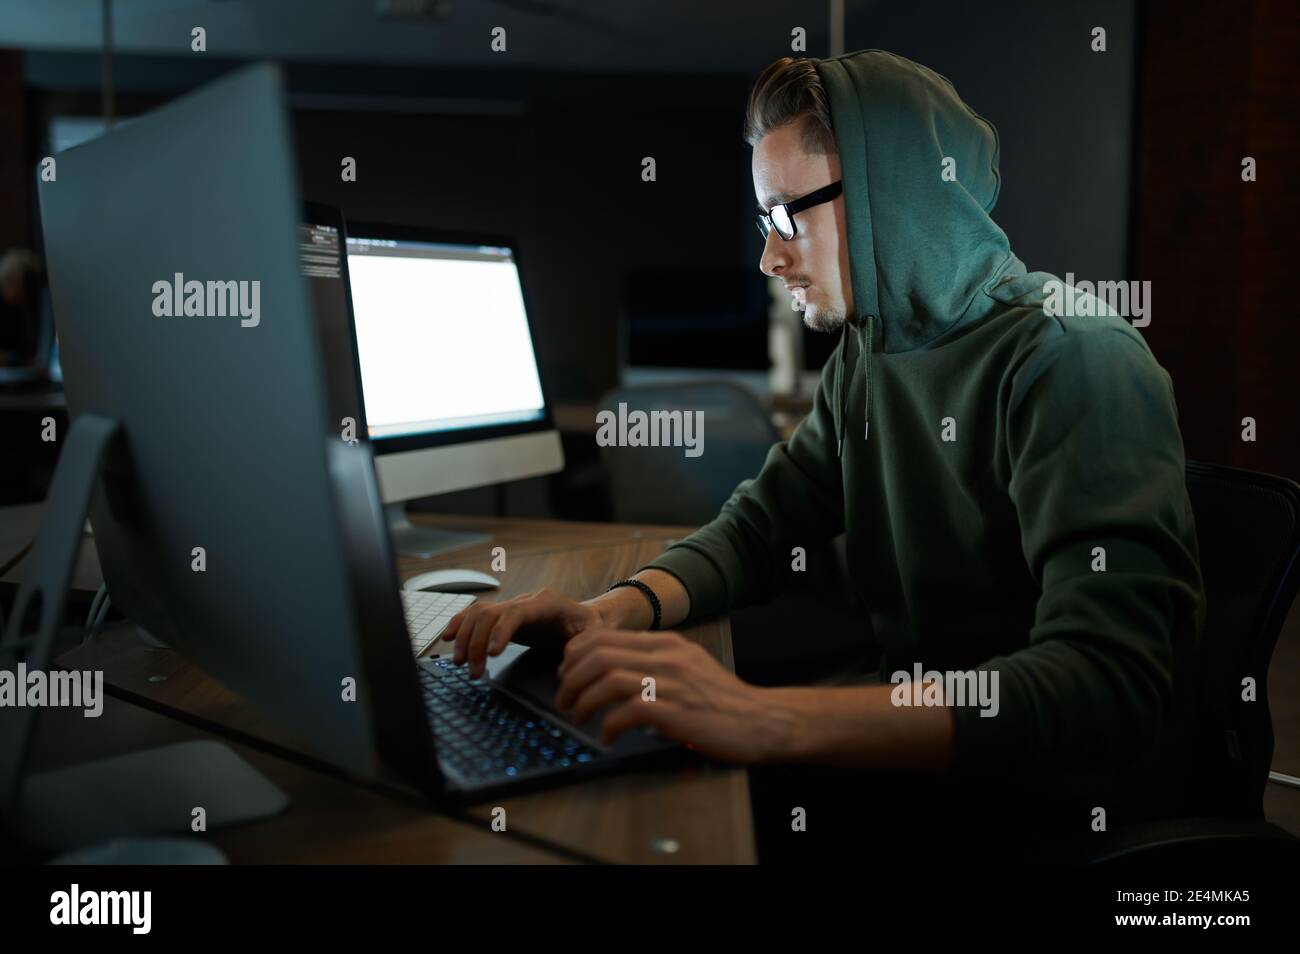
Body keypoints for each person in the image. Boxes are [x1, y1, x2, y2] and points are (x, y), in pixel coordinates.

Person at [442, 51, 1205, 861]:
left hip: (1048, 797)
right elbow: (763, 526)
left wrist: (765, 717)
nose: (771, 260)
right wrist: (608, 610)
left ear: (893, 194)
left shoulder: (1071, 357)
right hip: (920, 742)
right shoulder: (866, 358)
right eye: (762, 222)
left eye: (787, 216)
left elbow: (1108, 686)